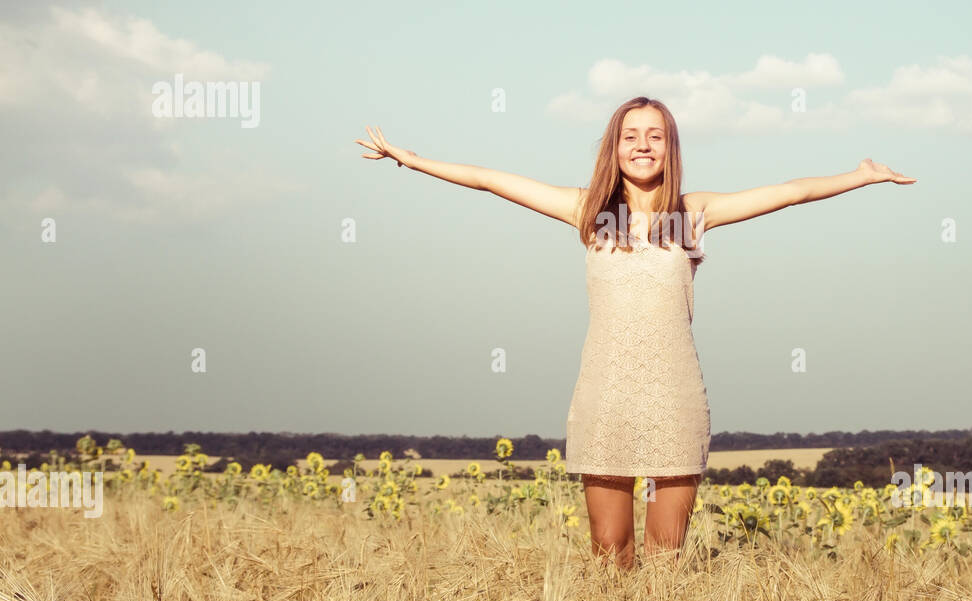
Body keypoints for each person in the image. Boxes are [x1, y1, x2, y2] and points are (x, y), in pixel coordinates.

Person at [356, 95, 915, 569]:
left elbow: (791, 191)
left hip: (674, 394)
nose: (643, 145)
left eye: (655, 136)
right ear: (614, 146)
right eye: (630, 136)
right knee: (609, 551)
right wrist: (411, 160)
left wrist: (860, 177)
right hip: (605, 394)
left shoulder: (692, 213)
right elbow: (489, 182)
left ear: (670, 148)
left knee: (667, 557)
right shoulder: (588, 211)